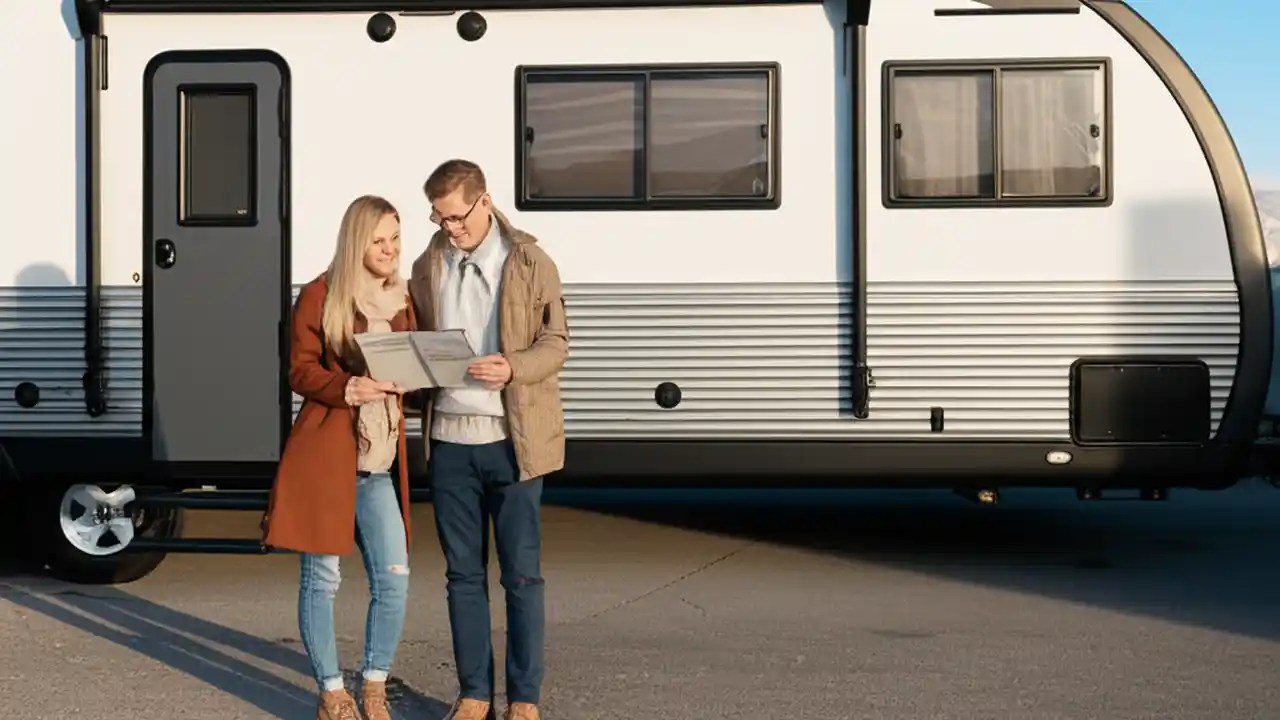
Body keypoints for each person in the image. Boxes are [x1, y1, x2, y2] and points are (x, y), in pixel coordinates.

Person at [408, 159, 569, 720]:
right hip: (450, 441)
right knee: (462, 577)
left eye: (456, 217)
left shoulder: (529, 259)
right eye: (439, 217)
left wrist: (515, 367)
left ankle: (524, 700)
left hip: (513, 441)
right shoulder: (427, 263)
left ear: (484, 201)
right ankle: (474, 694)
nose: (449, 228)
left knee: (522, 575)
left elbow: (557, 342)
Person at [262, 194, 417, 720]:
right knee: (322, 581)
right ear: (356, 242)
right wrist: (346, 387)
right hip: (327, 458)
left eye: (395, 238)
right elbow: (299, 370)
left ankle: (373, 686)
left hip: (378, 466)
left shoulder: (402, 299)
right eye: (379, 241)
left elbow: (411, 367)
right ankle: (332, 693)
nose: (390, 250)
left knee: (394, 577)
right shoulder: (320, 295)